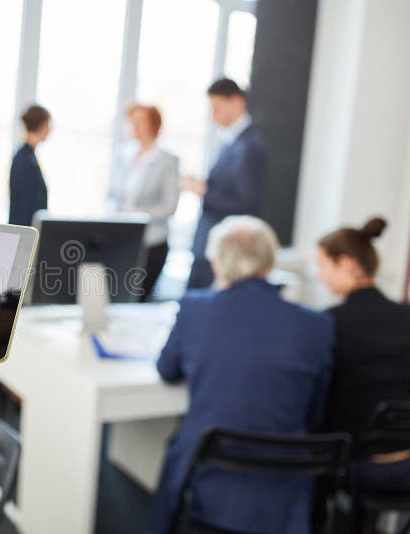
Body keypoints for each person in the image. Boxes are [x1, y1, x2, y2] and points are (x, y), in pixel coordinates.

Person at [148, 216, 333, 534]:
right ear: (269, 261)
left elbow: (167, 370)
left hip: (208, 478)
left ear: (217, 264)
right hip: (284, 488)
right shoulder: (316, 324)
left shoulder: (195, 310)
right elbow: (316, 409)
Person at [316, 217, 410, 490]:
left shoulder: (327, 323)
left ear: (345, 263)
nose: (320, 275)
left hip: (348, 461)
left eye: (323, 265)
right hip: (404, 459)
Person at [184, 78, 267, 289]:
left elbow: (246, 204)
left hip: (223, 247)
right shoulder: (233, 140)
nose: (214, 116)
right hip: (212, 244)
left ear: (237, 102)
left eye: (217, 108)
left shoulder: (249, 146)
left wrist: (204, 191)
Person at [109, 103, 180, 300]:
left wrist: (136, 216)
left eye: (138, 121)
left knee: (138, 299)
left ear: (152, 125)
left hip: (151, 242)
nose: (132, 126)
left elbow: (169, 206)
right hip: (122, 239)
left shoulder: (167, 160)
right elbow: (113, 194)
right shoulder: (123, 155)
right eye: (131, 121)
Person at [8, 104, 51, 227]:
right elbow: (23, 205)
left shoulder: (29, 157)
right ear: (43, 125)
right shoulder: (23, 159)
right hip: (25, 233)